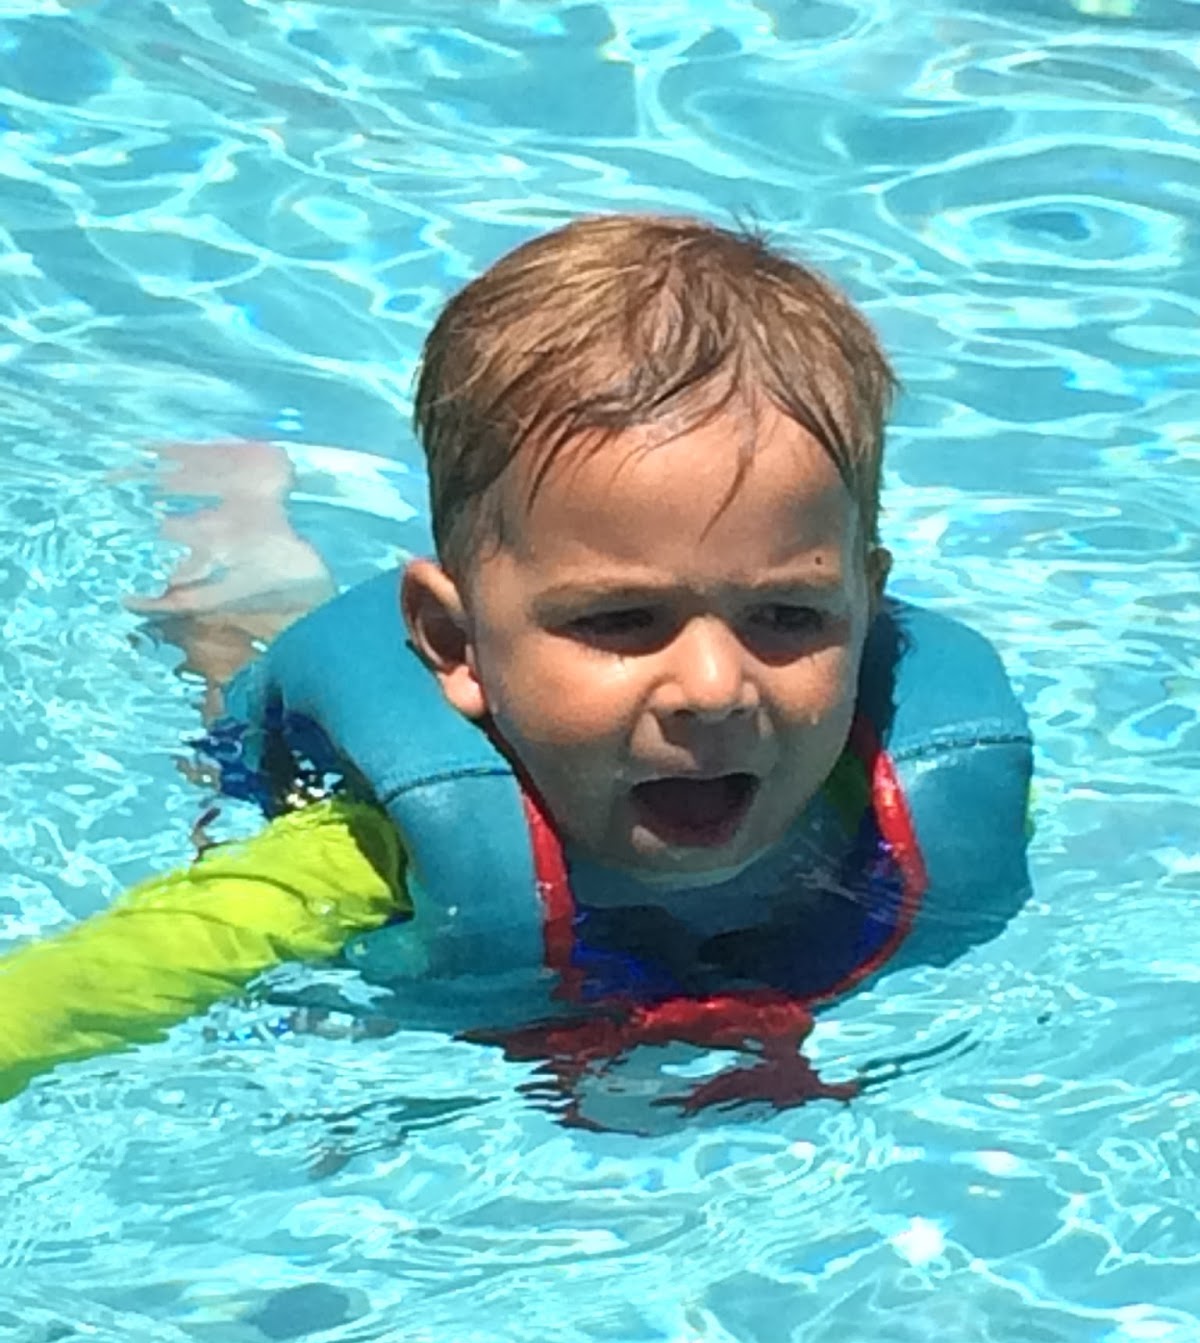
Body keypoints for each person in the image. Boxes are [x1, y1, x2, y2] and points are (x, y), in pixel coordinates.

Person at [0, 215, 1032, 1121]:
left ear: (865, 604)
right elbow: (86, 988)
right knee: (236, 658)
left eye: (789, 616)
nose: (716, 688)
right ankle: (232, 537)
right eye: (622, 620)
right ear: (455, 647)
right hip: (326, 744)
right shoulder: (370, 857)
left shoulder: (926, 796)